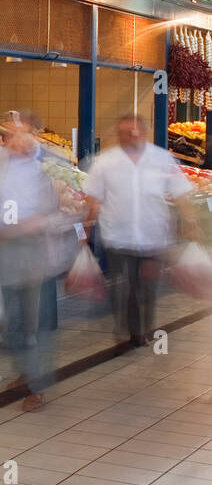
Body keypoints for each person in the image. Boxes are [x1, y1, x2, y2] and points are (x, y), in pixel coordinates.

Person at [83, 113, 196, 347]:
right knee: (123, 287)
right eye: (124, 133)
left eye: (133, 133)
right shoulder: (105, 161)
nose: (129, 137)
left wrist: (190, 222)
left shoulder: (162, 159)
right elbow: (93, 197)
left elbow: (180, 192)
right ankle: (126, 329)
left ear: (144, 133)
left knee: (146, 287)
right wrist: (85, 229)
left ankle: (142, 328)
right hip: (117, 237)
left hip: (152, 237)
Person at [0, 113, 58, 411]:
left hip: (39, 253)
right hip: (6, 250)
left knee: (36, 323)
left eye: (21, 133)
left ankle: (37, 386)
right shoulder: (0, 163)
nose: (15, 140)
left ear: (34, 135)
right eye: (11, 134)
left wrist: (34, 224)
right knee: (13, 322)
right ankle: (25, 372)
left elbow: (64, 208)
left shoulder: (51, 164)